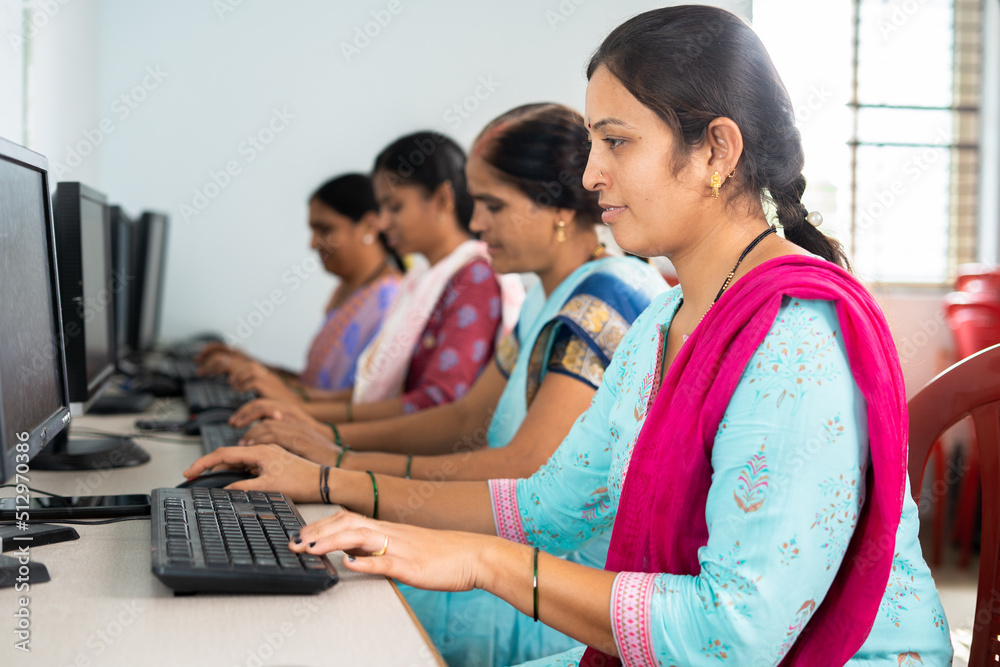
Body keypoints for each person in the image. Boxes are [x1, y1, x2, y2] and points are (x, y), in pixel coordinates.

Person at [199, 7, 954, 665]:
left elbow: (734, 637)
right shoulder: (662, 319)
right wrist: (330, 483)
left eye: (616, 142)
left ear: (717, 152)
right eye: (593, 143)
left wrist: (480, 563)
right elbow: (546, 505)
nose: (590, 175)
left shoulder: (796, 342)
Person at [185, 103, 667, 665]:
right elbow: (465, 419)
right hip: (505, 548)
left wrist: (333, 475)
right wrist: (334, 457)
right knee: (319, 576)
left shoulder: (604, 296)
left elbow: (522, 468)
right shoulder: (542, 294)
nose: (477, 224)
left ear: (557, 206)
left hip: (553, 589)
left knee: (335, 598)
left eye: (491, 205)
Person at [229, 132, 523, 423]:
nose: (382, 222)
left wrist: (307, 417)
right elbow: (374, 392)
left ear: (443, 199)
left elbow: (436, 403)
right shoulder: (421, 280)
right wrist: (295, 403)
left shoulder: (474, 279)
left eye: (395, 207)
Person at [196, 174, 401, 396]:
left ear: (369, 226)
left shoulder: (390, 300)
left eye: (325, 230)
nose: (312, 244)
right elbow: (316, 386)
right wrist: (249, 365)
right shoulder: (348, 292)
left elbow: (358, 401)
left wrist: (258, 375)